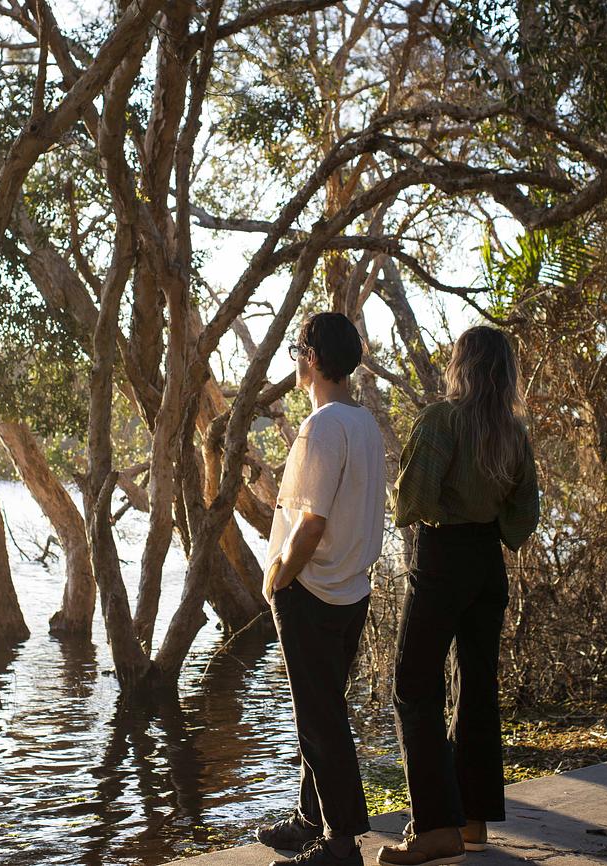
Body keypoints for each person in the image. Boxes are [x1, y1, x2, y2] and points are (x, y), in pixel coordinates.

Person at [376, 326, 540, 866]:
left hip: (443, 556)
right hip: (487, 562)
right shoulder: (514, 432)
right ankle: (471, 821)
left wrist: (420, 504)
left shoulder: (442, 419)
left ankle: (433, 829)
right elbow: (522, 523)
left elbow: (410, 501)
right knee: (476, 686)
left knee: (412, 687)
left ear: (461, 366)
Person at [255, 312, 387, 866]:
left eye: (296, 352)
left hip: (311, 589)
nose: (295, 363)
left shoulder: (322, 426)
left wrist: (277, 576)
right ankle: (312, 821)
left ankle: (341, 842)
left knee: (319, 717)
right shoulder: (364, 425)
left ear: (310, 359)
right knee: (323, 708)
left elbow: (311, 524)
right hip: (352, 588)